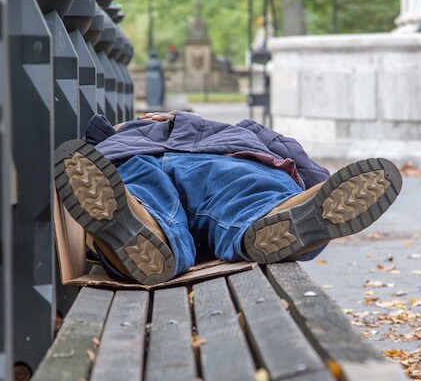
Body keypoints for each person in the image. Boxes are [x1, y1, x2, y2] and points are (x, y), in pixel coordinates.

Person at [55, 111, 401, 285]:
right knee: (249, 199)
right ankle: (274, 216)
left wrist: (116, 134)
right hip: (222, 160)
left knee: (149, 201)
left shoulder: (118, 137)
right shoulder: (241, 132)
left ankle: (139, 225)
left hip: (140, 161)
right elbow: (305, 167)